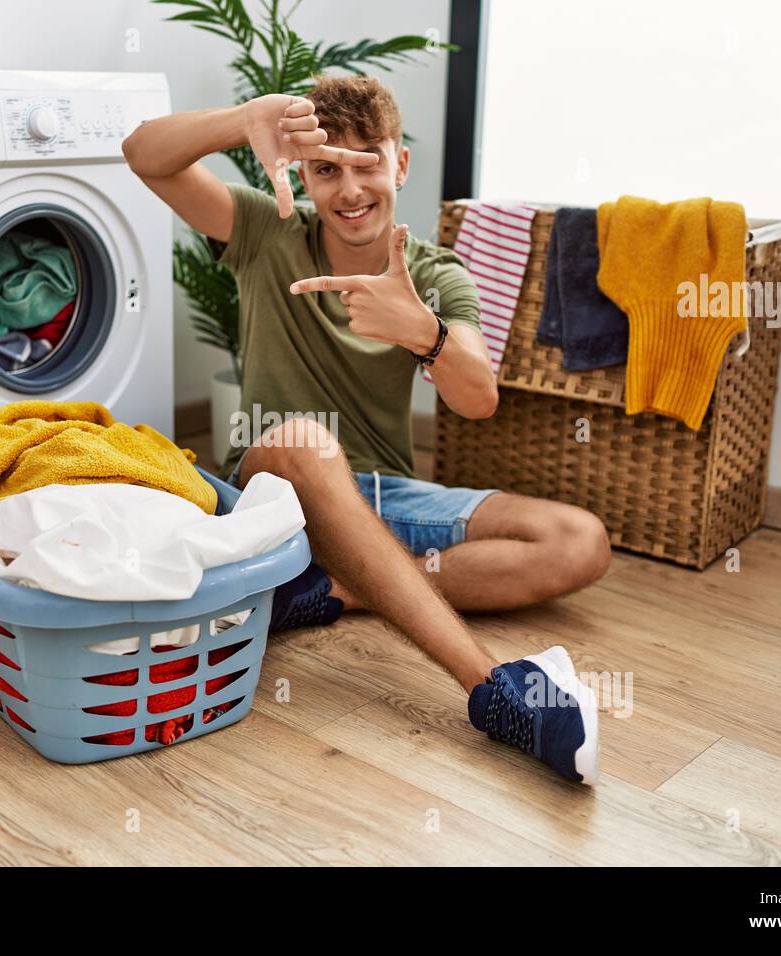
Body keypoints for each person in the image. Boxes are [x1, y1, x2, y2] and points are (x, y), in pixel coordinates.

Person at [123, 75, 608, 785]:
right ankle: (493, 688)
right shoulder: (264, 231)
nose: (349, 190)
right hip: (275, 491)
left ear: (398, 165)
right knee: (305, 443)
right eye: (326, 169)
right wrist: (244, 120)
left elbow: (478, 399)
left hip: (386, 496)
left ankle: (343, 587)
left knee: (579, 541)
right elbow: (143, 154)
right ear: (303, 174)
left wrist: (427, 333)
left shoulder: (434, 276)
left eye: (366, 164)